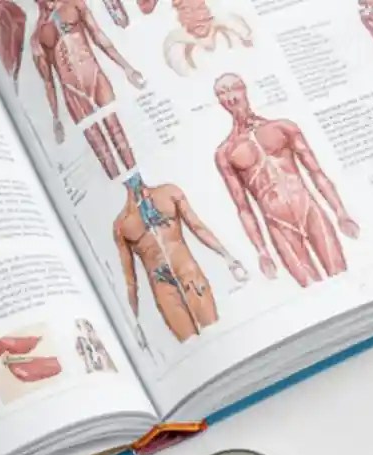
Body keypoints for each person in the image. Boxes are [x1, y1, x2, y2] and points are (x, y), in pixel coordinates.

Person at [213, 73, 359, 288]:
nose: (231, 97)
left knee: (342, 277)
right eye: (223, 93)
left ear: (244, 89)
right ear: (219, 101)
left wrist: (340, 211)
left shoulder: (283, 127)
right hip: (277, 224)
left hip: (309, 209)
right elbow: (242, 207)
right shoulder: (225, 152)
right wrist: (261, 250)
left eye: (234, 88)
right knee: (314, 290)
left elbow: (316, 172)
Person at [114, 172, 248, 344]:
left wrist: (227, 256)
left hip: (187, 272)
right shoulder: (121, 225)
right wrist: (135, 322)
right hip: (163, 285)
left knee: (215, 333)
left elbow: (198, 227)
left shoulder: (168, 193)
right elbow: (130, 280)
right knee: (190, 343)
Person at [31, 0, 146, 178]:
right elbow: (48, 81)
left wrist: (127, 68)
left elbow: (98, 36)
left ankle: (140, 185)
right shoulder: (37, 37)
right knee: (98, 145)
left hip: (95, 77)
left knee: (116, 130)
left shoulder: (75, 5)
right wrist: (55, 117)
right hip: (73, 93)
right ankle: (128, 193)